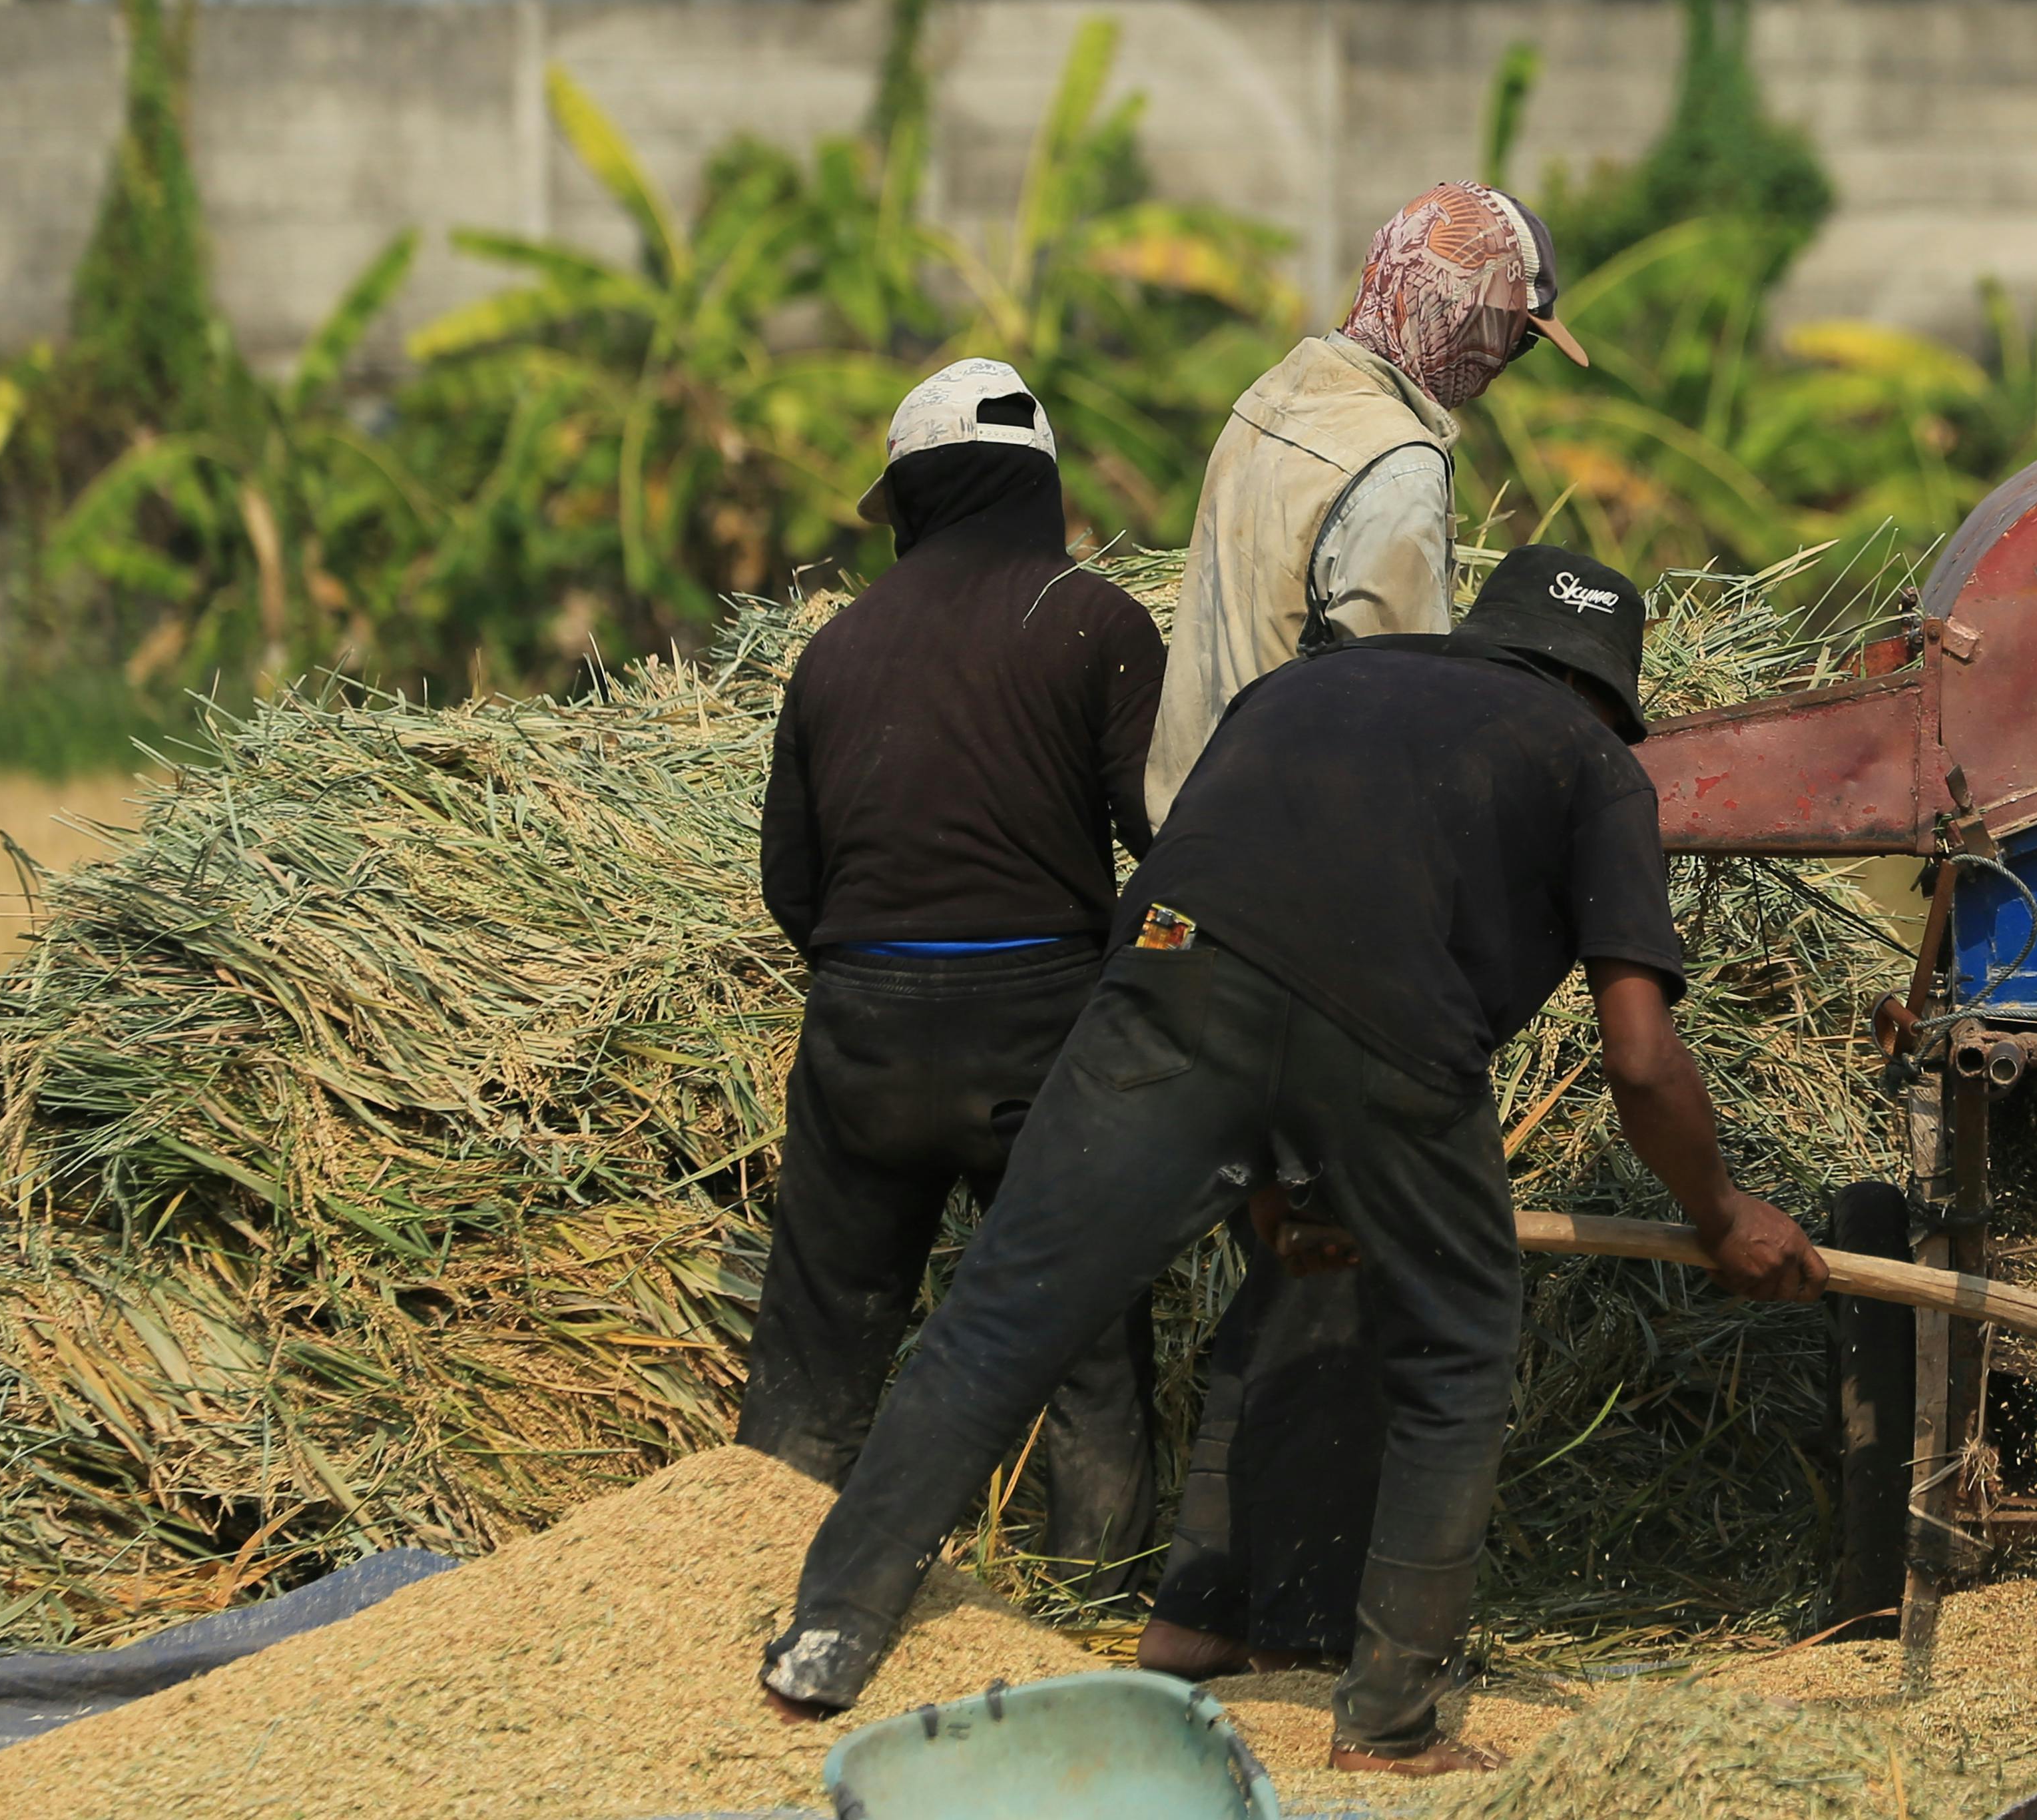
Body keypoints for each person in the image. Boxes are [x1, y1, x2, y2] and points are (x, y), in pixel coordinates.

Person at [758, 545, 1827, 1776]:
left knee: (1004, 1310)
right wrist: (1723, 1210)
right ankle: (1390, 1724)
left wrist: (1266, 1186)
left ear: (1484, 636)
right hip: (1392, 1028)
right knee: (1457, 1355)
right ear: (1605, 693)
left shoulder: (1307, 687)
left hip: (1164, 969)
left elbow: (1210, 883)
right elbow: (1641, 1056)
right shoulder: (1591, 763)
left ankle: (824, 1639)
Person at [1135, 182, 1586, 1681]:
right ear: (1460, 324)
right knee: (1355, 1266)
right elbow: (1393, 727)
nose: (1509, 368)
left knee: (1280, 1254)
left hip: (1188, 864)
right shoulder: (1393, 471)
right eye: (1513, 341)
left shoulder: (1278, 397)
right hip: (1305, 902)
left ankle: (1196, 1610)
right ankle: (1318, 1640)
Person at [742, 358, 1167, 1593]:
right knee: (1082, 1339)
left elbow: (794, 887)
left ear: (916, 501)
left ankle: (761, 1584)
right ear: (1033, 488)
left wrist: (884, 974)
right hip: (1041, 1030)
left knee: (822, 1344)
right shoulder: (1094, 621)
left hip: (862, 1034)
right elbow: (1160, 839)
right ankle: (1088, 1604)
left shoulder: (836, 653)